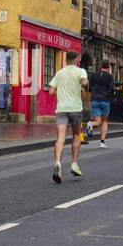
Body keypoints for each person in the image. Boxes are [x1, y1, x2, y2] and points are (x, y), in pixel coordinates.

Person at [49, 51, 88, 183]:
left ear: (65, 60)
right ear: (77, 59)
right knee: (76, 135)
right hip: (75, 109)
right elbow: (84, 82)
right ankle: (74, 164)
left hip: (61, 109)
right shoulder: (80, 71)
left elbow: (51, 91)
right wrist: (84, 84)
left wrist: (62, 95)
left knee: (60, 137)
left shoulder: (59, 73)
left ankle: (58, 162)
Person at [87, 61, 116, 147]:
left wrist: (93, 93)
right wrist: (112, 94)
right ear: (108, 67)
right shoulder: (110, 76)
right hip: (105, 100)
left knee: (98, 121)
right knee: (105, 121)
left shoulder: (93, 75)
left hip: (94, 100)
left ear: (101, 66)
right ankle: (102, 142)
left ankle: (91, 124)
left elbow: (89, 87)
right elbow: (112, 88)